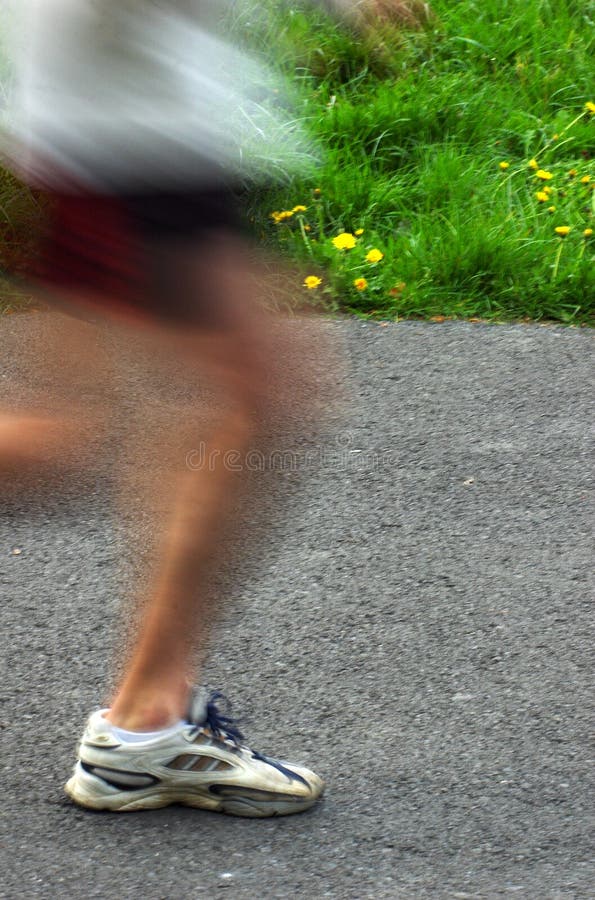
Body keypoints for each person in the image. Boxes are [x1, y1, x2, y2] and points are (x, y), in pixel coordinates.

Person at [0, 0, 429, 815]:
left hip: (113, 125)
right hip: (129, 140)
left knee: (121, 424)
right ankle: (143, 730)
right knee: (249, 402)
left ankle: (145, 725)